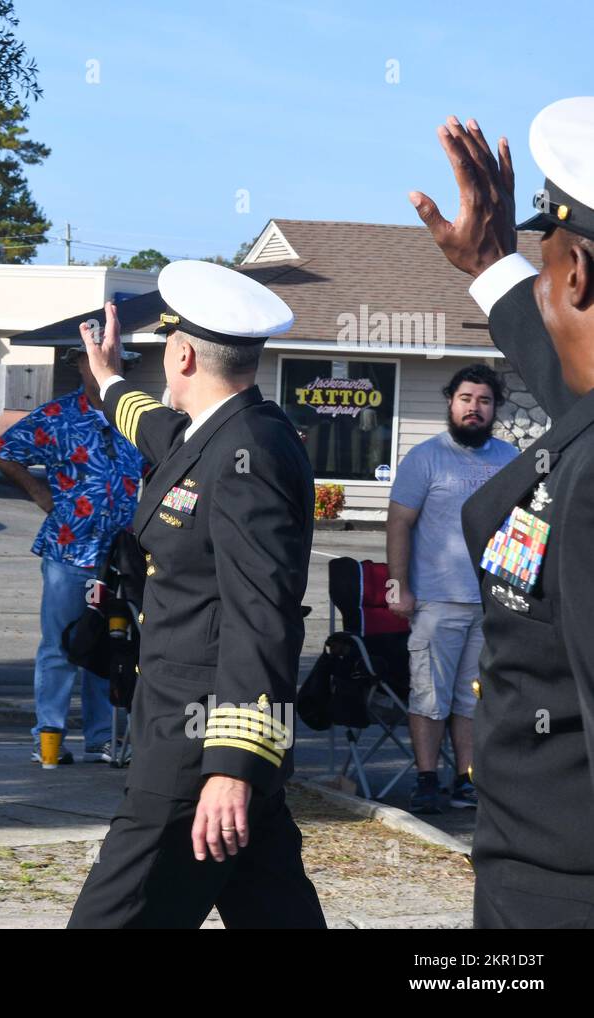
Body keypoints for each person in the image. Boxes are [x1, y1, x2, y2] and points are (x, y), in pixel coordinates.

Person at [66, 260, 325, 929]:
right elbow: (153, 427)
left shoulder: (249, 454)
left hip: (196, 753)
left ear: (182, 354)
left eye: (164, 353)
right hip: (204, 739)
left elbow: (260, 617)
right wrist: (109, 377)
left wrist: (233, 766)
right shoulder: (212, 433)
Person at [412, 99, 594, 927]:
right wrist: (492, 263)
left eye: (545, 252)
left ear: (578, 275)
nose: (542, 271)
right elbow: (566, 371)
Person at [0, 345, 146, 764]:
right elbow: (6, 452)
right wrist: (41, 493)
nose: (99, 367)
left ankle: (102, 738)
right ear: (79, 365)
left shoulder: (137, 417)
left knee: (112, 647)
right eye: (90, 359)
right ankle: (48, 738)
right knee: (61, 647)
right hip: (69, 549)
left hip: (120, 557)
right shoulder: (57, 416)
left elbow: (161, 465)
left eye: (112, 359)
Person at [386, 364, 517, 814]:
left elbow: (522, 529)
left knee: (473, 696)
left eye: (483, 401)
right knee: (428, 694)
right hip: (435, 601)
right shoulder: (425, 457)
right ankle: (426, 780)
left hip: (492, 604)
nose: (474, 408)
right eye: (466, 399)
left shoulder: (510, 459)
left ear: (494, 407)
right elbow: (399, 523)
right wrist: (397, 586)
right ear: (450, 402)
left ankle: (466, 779)